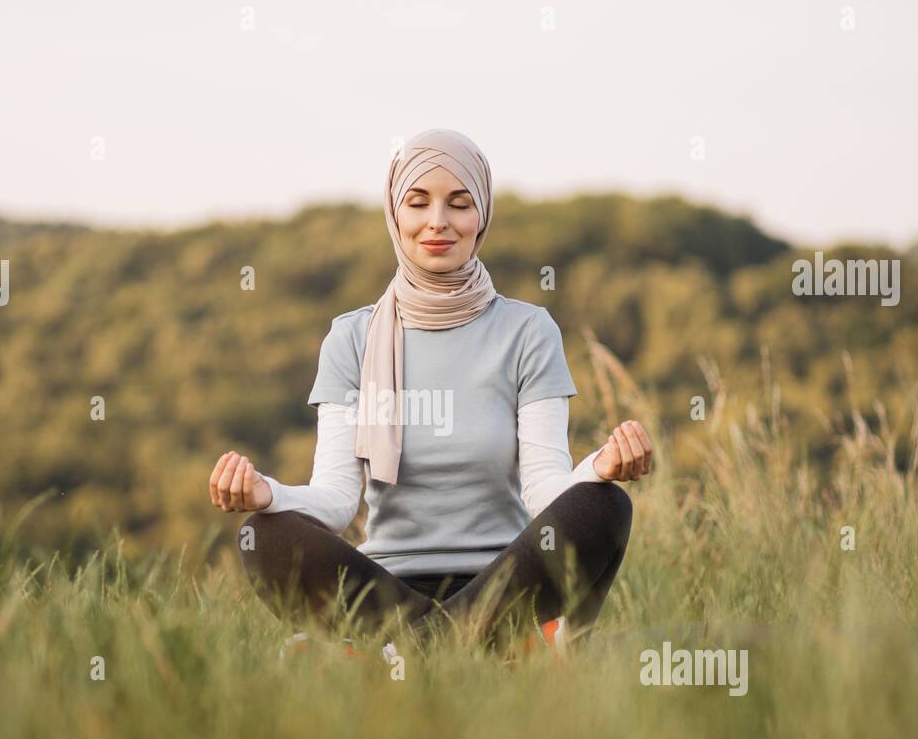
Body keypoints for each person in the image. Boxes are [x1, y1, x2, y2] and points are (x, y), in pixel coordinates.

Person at [209, 128, 651, 652]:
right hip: (384, 590)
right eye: (418, 202)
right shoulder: (351, 337)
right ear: (394, 215)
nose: (437, 221)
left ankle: (400, 654)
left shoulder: (529, 332)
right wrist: (269, 494)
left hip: (508, 582)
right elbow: (334, 500)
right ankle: (487, 649)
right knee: (263, 534)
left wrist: (597, 469)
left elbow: (544, 492)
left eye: (459, 204)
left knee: (604, 507)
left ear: (482, 216)